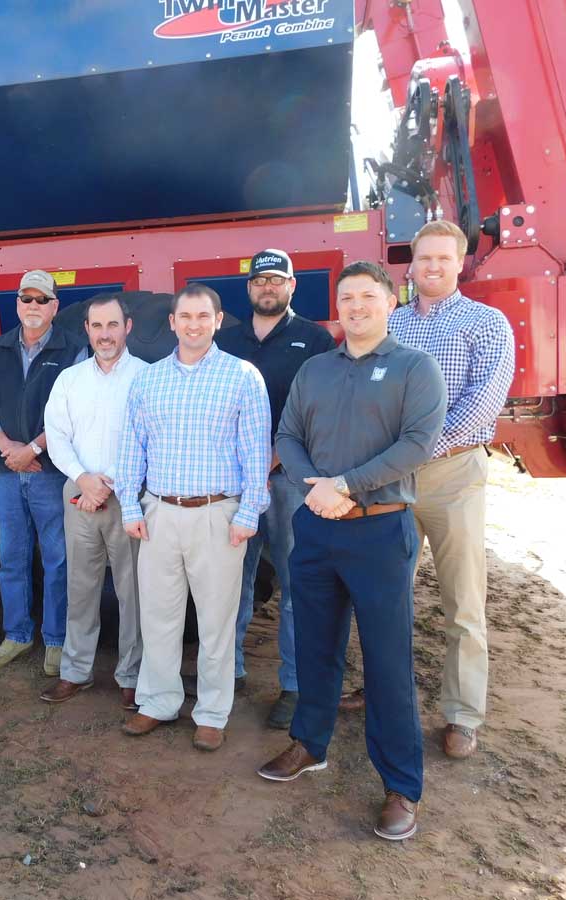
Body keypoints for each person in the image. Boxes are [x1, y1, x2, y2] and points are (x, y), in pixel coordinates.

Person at [257, 261, 446, 842]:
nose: (356, 306)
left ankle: (400, 785)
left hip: (380, 531)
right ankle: (309, 744)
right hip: (317, 527)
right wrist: (319, 483)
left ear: (391, 301)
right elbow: (287, 435)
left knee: (387, 660)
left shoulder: (414, 367)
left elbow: (418, 442)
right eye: (346, 297)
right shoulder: (315, 369)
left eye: (367, 296)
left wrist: (346, 484)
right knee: (315, 646)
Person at [114, 283, 271, 753]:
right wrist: (129, 505)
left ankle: (211, 711)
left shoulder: (243, 377)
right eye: (186, 316)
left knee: (215, 620)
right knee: (158, 615)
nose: (194, 324)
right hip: (160, 512)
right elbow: (131, 447)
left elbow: (256, 451)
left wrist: (248, 513)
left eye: (203, 316)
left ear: (218, 321)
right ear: (172, 322)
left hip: (217, 515)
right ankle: (159, 701)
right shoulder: (148, 380)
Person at [389, 219, 515, 759]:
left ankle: (462, 713)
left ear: (460, 262)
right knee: (384, 594)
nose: (432, 268)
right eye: (424, 259)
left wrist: (414, 449)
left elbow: (482, 403)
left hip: (452, 475)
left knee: (462, 599)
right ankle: (381, 690)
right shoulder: (391, 323)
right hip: (391, 478)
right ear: (410, 266)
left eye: (443, 258)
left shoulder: (486, 323)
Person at [216, 249, 335, 729]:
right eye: (259, 280)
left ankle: (294, 685)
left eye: (277, 279)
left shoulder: (315, 340)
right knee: (231, 581)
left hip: (288, 481)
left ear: (292, 286)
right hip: (232, 480)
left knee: (294, 583)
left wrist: (274, 457)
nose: (268, 287)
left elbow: (319, 411)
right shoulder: (225, 340)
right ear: (249, 289)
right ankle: (230, 672)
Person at [0, 270, 85, 676]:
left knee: (56, 559)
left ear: (55, 306)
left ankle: (56, 640)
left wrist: (34, 448)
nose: (33, 306)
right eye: (26, 298)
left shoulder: (73, 348)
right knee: (11, 557)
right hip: (7, 472)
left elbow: (74, 410)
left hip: (50, 471)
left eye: (42, 299)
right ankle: (17, 634)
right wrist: (7, 448)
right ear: (17, 304)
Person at [41, 295, 149, 708]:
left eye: (113, 325)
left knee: (132, 591)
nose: (105, 334)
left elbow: (150, 440)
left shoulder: (148, 377)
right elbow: (58, 434)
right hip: (79, 495)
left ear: (128, 327)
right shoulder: (70, 380)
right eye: (97, 326)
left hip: (130, 497)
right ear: (86, 330)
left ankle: (132, 676)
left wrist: (111, 484)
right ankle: (75, 672)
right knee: (81, 588)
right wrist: (85, 480)